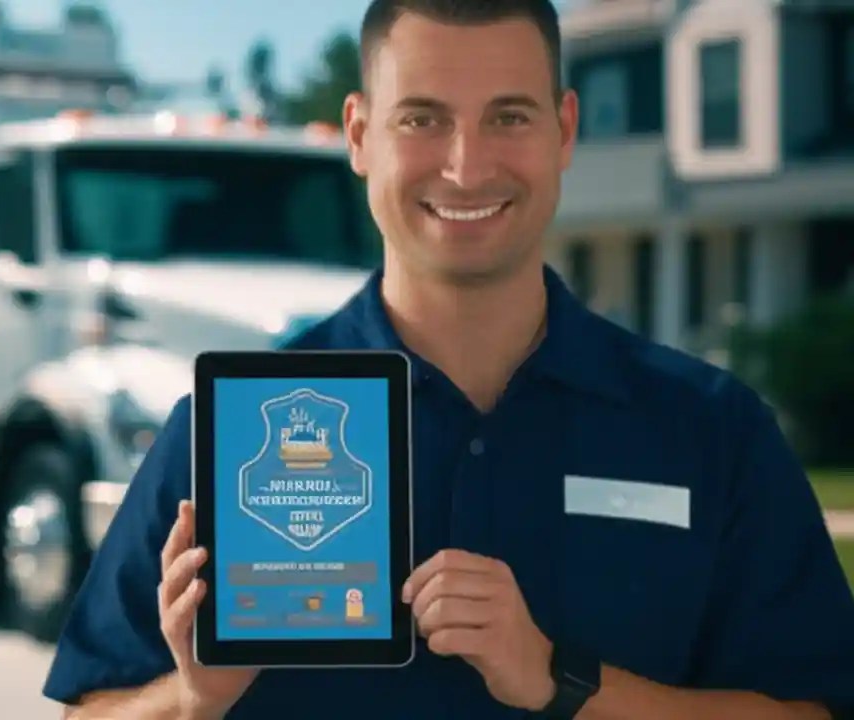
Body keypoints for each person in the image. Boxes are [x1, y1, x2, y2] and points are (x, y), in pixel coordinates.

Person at [42, 0, 854, 717]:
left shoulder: (711, 432)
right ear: (360, 135)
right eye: (422, 118)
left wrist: (561, 680)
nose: (466, 165)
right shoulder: (230, 432)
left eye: (508, 117)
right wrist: (195, 697)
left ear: (564, 130)